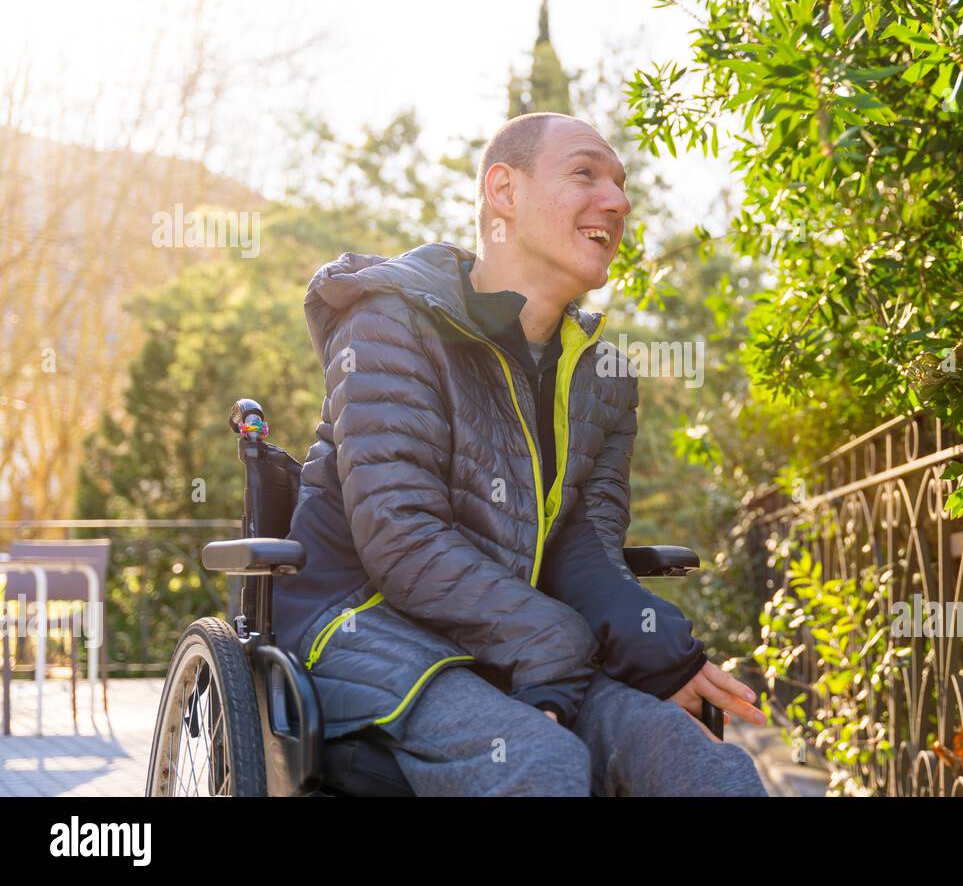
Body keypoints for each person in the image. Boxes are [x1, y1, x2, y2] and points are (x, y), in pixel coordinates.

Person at [272, 111, 769, 795]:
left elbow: (583, 544)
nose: (618, 201)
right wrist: (549, 641)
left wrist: (656, 648)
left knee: (703, 769)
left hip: (516, 640)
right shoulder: (389, 321)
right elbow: (401, 533)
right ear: (503, 191)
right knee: (542, 764)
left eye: (621, 185)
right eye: (586, 174)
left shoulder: (603, 378)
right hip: (368, 624)